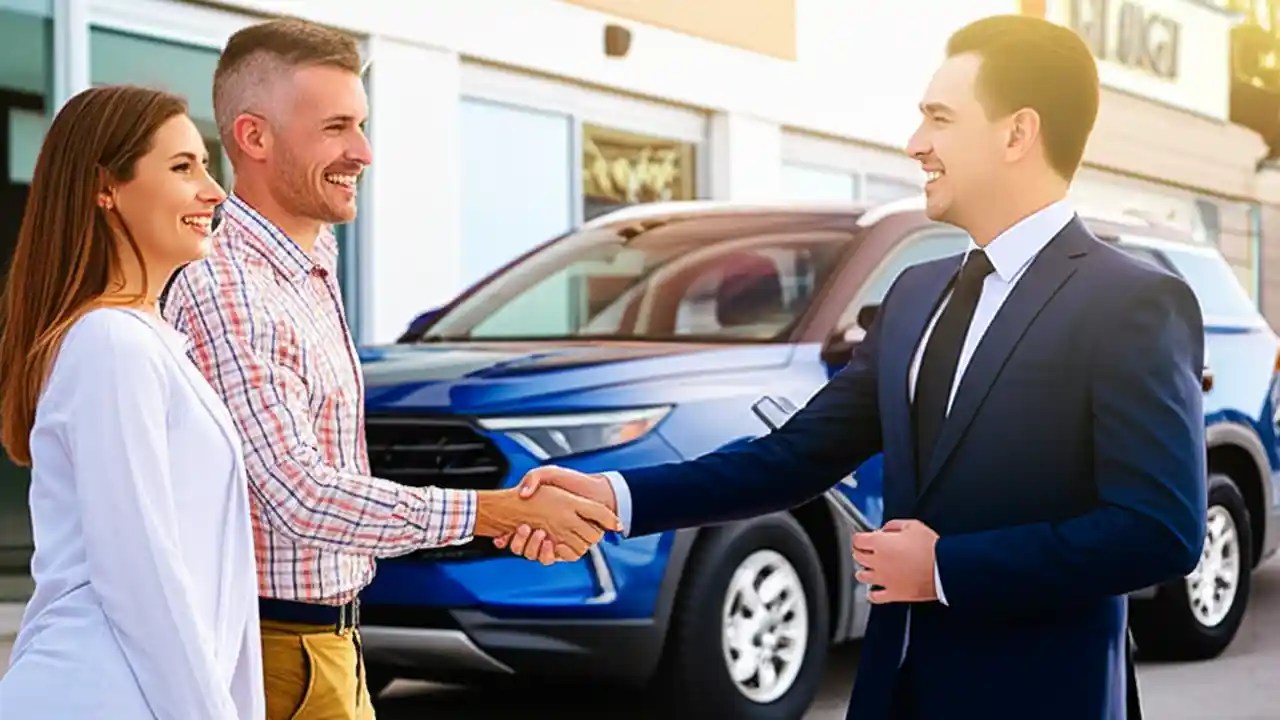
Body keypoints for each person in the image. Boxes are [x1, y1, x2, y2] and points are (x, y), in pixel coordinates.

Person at [500, 15, 1206, 719]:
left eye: (940, 118)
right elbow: (793, 457)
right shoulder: (916, 292)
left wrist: (942, 569)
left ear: (1017, 134)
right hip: (894, 693)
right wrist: (612, 497)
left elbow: (1159, 531)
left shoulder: (1134, 302)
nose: (916, 144)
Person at [161, 18, 618, 720]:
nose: (364, 152)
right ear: (254, 138)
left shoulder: (308, 264)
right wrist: (493, 512)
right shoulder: (230, 289)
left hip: (328, 643)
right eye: (336, 128)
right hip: (277, 653)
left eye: (362, 125)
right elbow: (303, 496)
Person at [0, 85, 262, 718]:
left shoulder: (147, 339)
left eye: (205, 165)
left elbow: (216, 578)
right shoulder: (110, 343)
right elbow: (140, 573)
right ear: (105, 188)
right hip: (97, 694)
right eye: (182, 167)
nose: (214, 191)